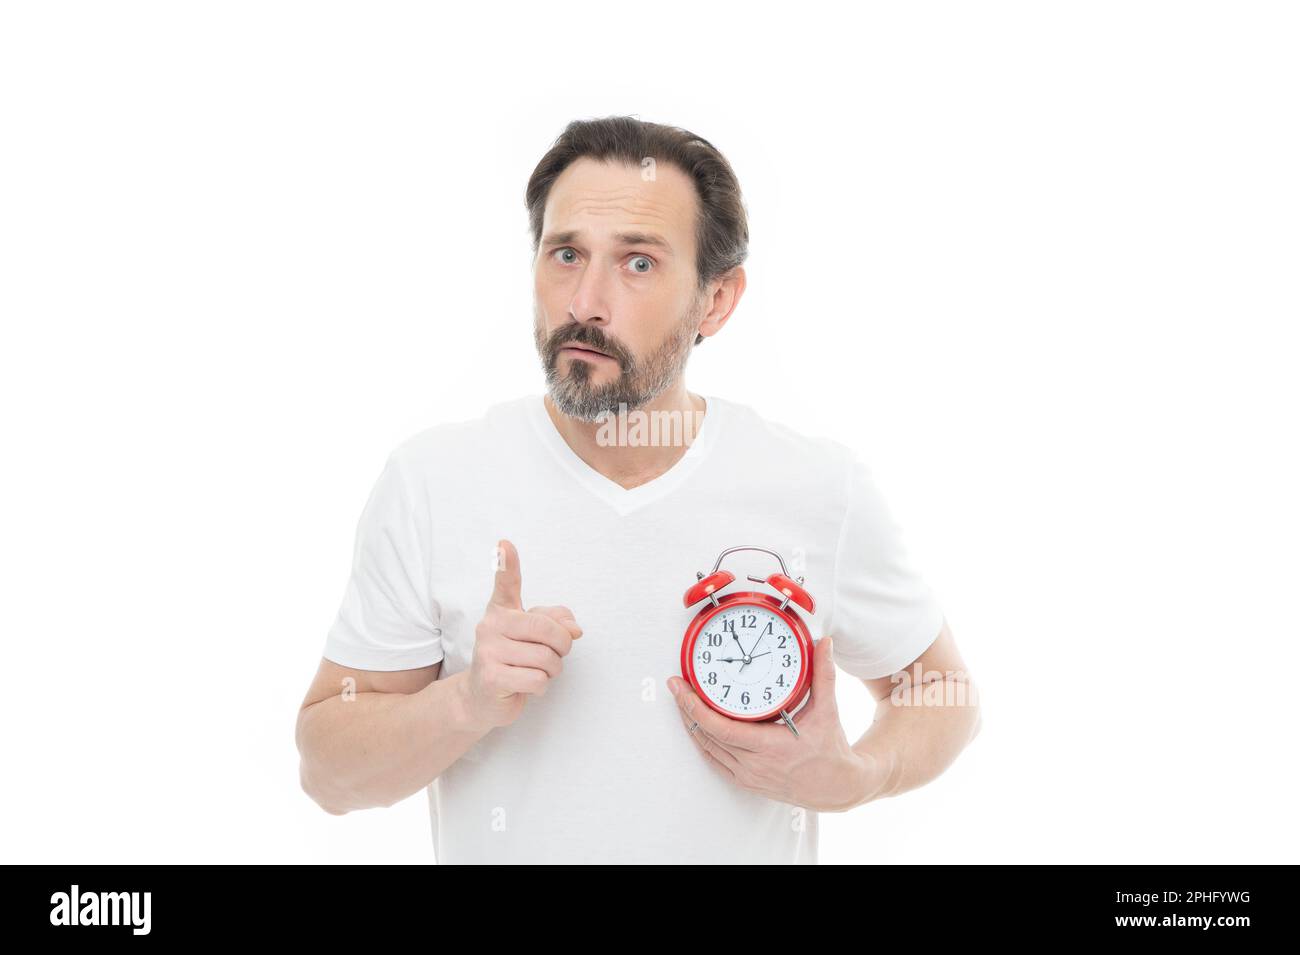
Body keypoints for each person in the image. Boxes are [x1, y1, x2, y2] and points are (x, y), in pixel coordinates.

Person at [295, 115, 981, 863]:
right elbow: (328, 774)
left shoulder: (817, 488)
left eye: (639, 263)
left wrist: (855, 775)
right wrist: (463, 702)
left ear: (716, 300)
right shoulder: (433, 483)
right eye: (566, 254)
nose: (585, 300)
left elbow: (943, 694)